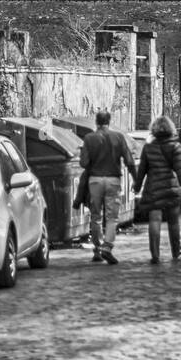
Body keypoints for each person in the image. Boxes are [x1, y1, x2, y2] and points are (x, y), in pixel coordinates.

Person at [73, 109, 137, 265]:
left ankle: (97, 248)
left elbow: (83, 163)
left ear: (96, 122)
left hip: (94, 180)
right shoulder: (118, 137)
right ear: (109, 121)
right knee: (112, 217)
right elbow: (129, 160)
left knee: (95, 216)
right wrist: (136, 179)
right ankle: (107, 247)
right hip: (113, 180)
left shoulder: (89, 138)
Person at [134, 115, 181, 264]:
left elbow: (142, 170)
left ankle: (155, 254)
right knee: (173, 222)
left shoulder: (148, 147)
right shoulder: (175, 147)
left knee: (154, 220)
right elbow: (180, 172)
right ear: (170, 129)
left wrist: (136, 187)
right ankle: (175, 251)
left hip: (153, 188)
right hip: (170, 188)